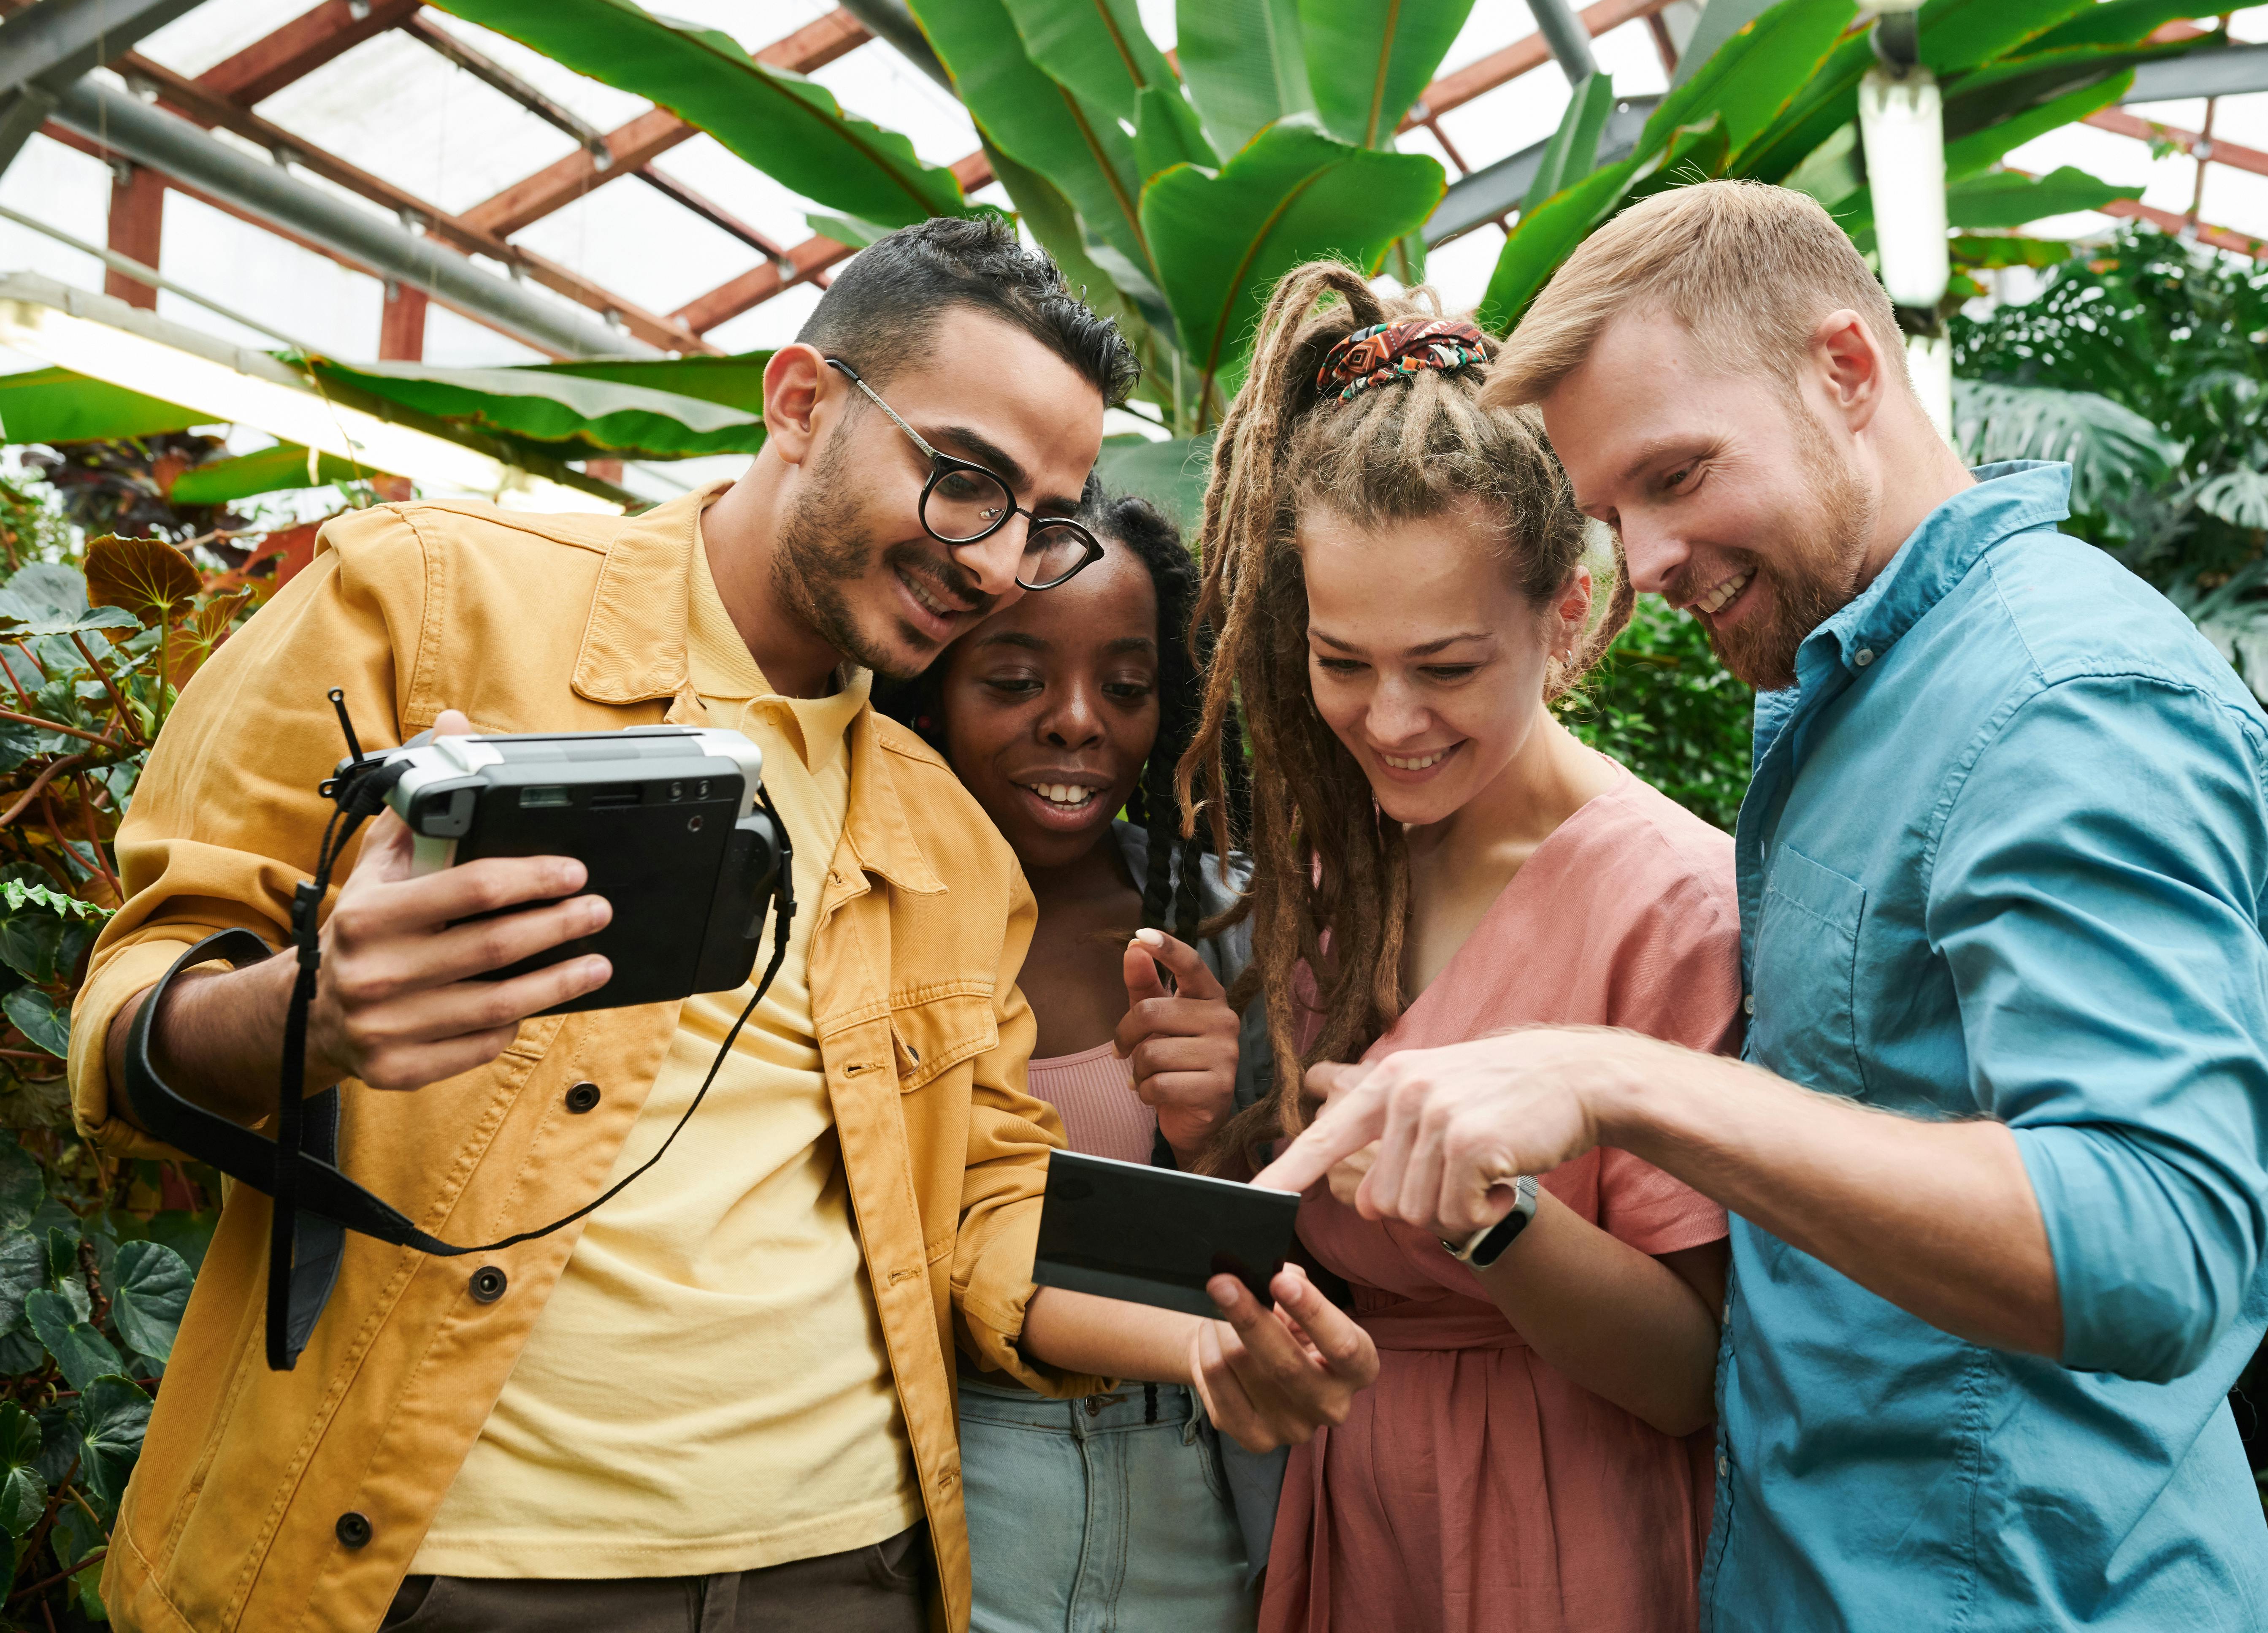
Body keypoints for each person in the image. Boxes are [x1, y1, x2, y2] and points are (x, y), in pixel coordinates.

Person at [69, 217, 1369, 1633]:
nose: (999, 564)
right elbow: (132, 1019)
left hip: (846, 1571)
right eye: (964, 481)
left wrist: (1205, 1348)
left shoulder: (944, 837)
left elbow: (980, 1208)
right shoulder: (428, 603)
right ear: (800, 402)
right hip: (449, 1572)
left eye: (1040, 519)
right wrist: (306, 1016)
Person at [1263, 181, 2268, 1631]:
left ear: (1848, 371)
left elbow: (2160, 1241)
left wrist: (1615, 1079)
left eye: (1678, 476)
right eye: (1616, 513)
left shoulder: (2063, 704)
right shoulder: (1858, 698)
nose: (1650, 566)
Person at [1178, 263, 1741, 1633]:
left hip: (1567, 1521)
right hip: (1359, 1503)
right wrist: (1214, 1125)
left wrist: (1490, 1217)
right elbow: (1305, 1236)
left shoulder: (1676, 903)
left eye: (1445, 668)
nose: (1386, 721)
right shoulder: (1333, 869)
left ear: (1562, 624)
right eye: (1341, 661)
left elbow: (1690, 1371)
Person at [877, 478, 1305, 1631]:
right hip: (923, 1479)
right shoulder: (856, 917)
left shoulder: (1227, 927)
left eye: (1126, 688)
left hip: (1181, 1478)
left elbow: (1291, 1254)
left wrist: (1219, 1133)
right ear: (929, 691)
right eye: (1015, 680)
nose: (1078, 721)